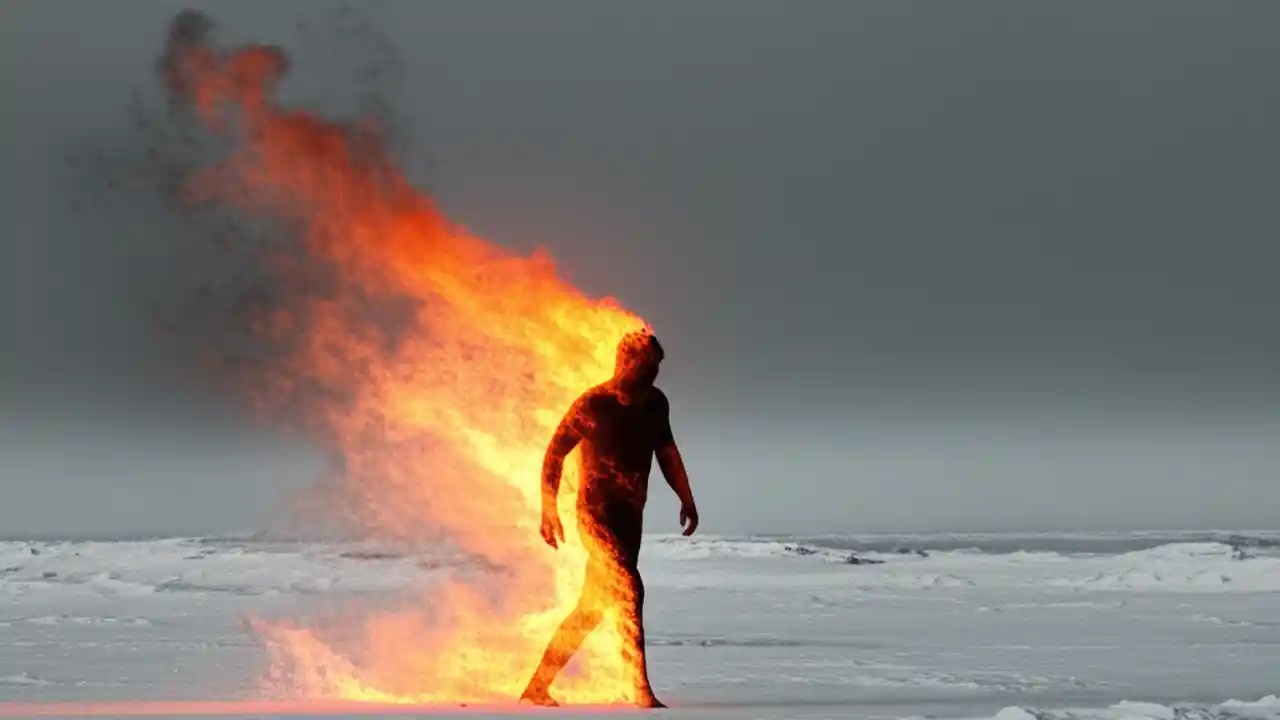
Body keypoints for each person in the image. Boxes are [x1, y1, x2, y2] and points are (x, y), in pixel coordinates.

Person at [520, 329, 699, 708]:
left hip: (631, 519)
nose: (653, 374)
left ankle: (537, 687)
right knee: (631, 589)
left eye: (657, 368)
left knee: (592, 608)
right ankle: (641, 692)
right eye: (648, 366)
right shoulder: (594, 403)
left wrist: (685, 496)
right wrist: (548, 509)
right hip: (594, 515)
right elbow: (555, 453)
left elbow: (666, 452)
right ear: (626, 362)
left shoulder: (655, 404)